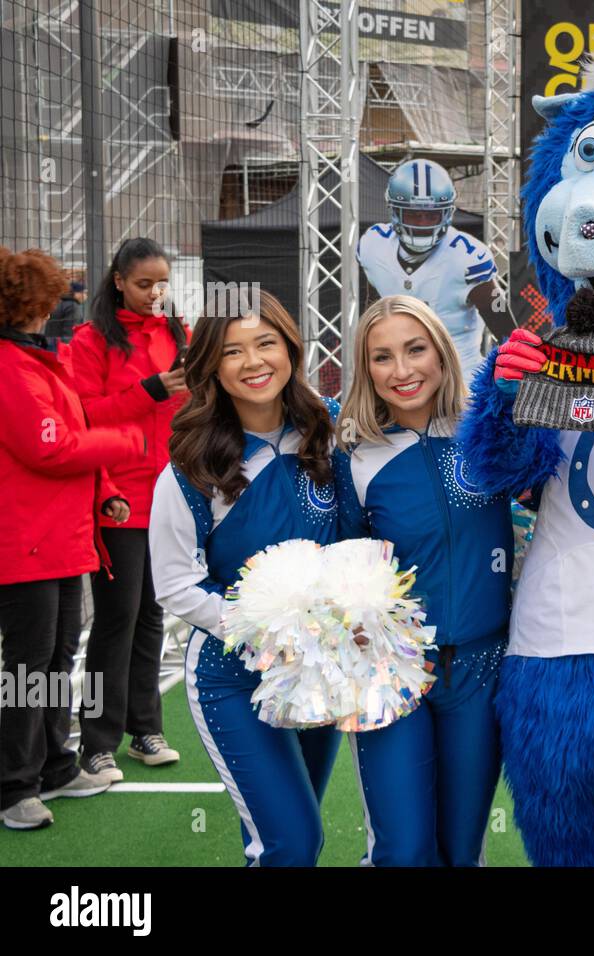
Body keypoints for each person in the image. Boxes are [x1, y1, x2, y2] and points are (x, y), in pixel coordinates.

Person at [149, 291, 342, 865]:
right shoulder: (191, 465)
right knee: (291, 842)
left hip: (321, 669)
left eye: (265, 343)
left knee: (281, 837)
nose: (254, 362)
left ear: (290, 348)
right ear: (209, 365)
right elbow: (175, 584)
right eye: (232, 351)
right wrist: (272, 627)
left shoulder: (330, 430)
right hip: (233, 677)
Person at [334, 294, 512, 866]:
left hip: (483, 668)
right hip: (392, 675)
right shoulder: (350, 453)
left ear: (443, 353)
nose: (402, 370)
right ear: (365, 369)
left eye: (416, 350)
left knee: (463, 851)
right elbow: (338, 564)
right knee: (405, 851)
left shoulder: (488, 432)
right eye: (382, 357)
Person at [0, 247, 142, 830]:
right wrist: (125, 443)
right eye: (47, 300)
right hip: (26, 541)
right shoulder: (11, 367)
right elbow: (50, 446)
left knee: (57, 657)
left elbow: (69, 433)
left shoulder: (38, 361)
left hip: (60, 537)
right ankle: (13, 786)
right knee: (27, 667)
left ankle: (55, 766)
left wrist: (104, 484)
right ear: (30, 306)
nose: (54, 308)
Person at [72, 238, 189, 781]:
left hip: (169, 496)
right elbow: (84, 417)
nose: (154, 294)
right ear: (118, 280)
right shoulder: (91, 340)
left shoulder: (175, 332)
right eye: (144, 284)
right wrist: (148, 391)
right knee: (114, 620)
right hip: (116, 498)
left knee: (151, 616)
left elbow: (186, 410)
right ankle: (95, 742)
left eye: (161, 283)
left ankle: (145, 730)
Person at [356, 159, 508, 379]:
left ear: (446, 214)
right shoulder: (373, 245)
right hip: (400, 377)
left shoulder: (466, 257)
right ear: (395, 212)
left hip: (458, 382)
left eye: (431, 215)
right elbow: (373, 310)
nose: (422, 223)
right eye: (413, 215)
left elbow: (506, 332)